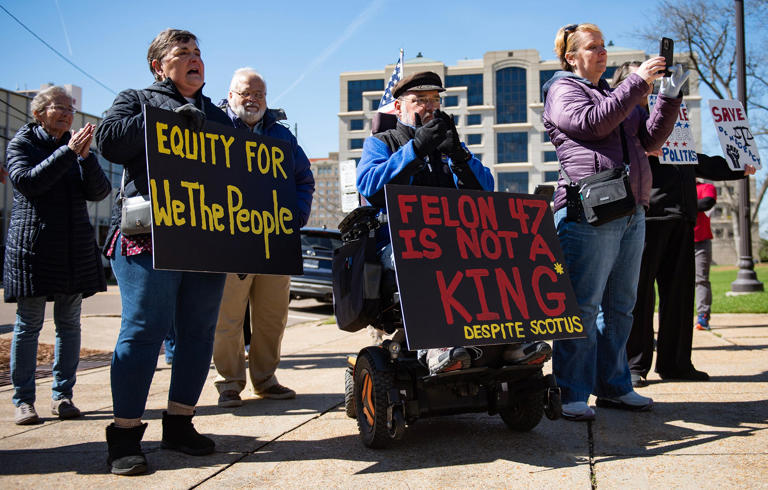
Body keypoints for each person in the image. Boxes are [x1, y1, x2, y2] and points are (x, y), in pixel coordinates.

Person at [95, 28, 232, 476]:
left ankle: (179, 424)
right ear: (158, 66)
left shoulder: (218, 115)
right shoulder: (134, 99)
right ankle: (124, 437)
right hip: (148, 236)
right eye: (183, 52)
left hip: (205, 239)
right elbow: (108, 142)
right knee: (143, 331)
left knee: (198, 333)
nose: (195, 59)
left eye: (198, 52)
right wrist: (167, 120)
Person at [356, 71, 549, 375]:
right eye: (420, 100)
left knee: (502, 249)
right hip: (399, 242)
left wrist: (459, 156)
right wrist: (415, 149)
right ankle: (436, 346)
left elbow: (486, 191)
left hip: (454, 239)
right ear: (399, 107)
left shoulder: (448, 145)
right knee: (429, 254)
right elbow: (369, 185)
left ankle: (514, 341)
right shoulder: (381, 142)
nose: (429, 106)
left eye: (435, 100)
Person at [541, 23, 685, 421]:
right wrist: (636, 83)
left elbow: (650, 141)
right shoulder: (562, 90)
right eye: (593, 47)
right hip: (590, 209)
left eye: (604, 45)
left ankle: (614, 386)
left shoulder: (613, 93)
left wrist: (668, 96)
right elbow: (593, 124)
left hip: (631, 207)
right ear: (571, 57)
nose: (602, 52)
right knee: (583, 306)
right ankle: (571, 391)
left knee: (621, 307)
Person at [612, 62, 756, 387]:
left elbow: (695, 161)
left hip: (682, 216)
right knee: (640, 295)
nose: (650, 85)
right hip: (647, 215)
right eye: (642, 79)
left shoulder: (669, 118)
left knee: (679, 294)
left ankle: (676, 363)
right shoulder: (621, 121)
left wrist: (738, 167)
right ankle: (634, 365)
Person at [4, 86, 111, 426]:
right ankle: (23, 400)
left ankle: (62, 395)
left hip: (73, 249)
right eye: (59, 108)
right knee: (29, 325)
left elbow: (100, 192)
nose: (67, 114)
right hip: (33, 248)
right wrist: (68, 153)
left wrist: (87, 157)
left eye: (70, 109)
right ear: (39, 113)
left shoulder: (77, 148)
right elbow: (28, 183)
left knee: (69, 324)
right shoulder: (22, 144)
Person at [212, 68, 314, 408]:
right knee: (228, 317)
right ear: (230, 95)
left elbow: (303, 179)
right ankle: (229, 382)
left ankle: (266, 379)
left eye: (259, 94)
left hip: (276, 240)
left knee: (272, 316)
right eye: (245, 93)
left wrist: (296, 216)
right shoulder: (214, 126)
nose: (253, 99)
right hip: (229, 242)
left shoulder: (282, 136)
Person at [694, 181, 718, 331]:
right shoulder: (676, 185)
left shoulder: (706, 187)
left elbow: (707, 202)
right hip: (678, 239)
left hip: (701, 241)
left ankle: (703, 316)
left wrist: (682, 204)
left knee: (701, 279)